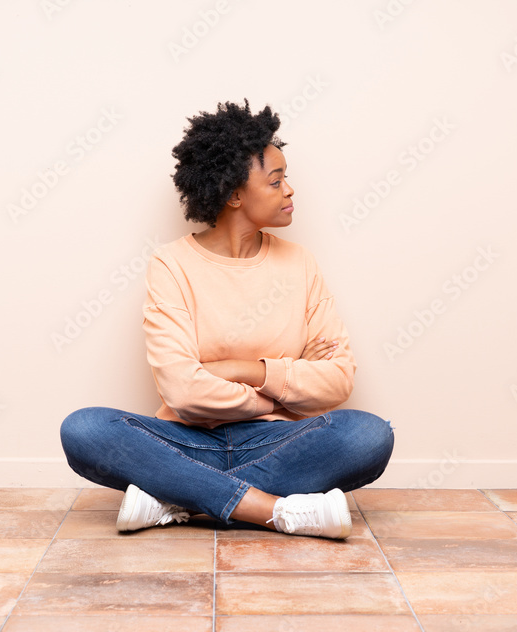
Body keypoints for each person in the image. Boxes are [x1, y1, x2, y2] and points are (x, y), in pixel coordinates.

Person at [59, 99, 395, 540]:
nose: (290, 190)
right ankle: (273, 509)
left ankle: (178, 498)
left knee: (368, 435)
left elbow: (337, 379)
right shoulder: (172, 264)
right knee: (84, 429)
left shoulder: (300, 264)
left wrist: (243, 371)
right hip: (186, 440)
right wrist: (275, 398)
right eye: (276, 182)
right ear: (234, 194)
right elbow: (182, 391)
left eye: (286, 178)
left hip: (276, 442)